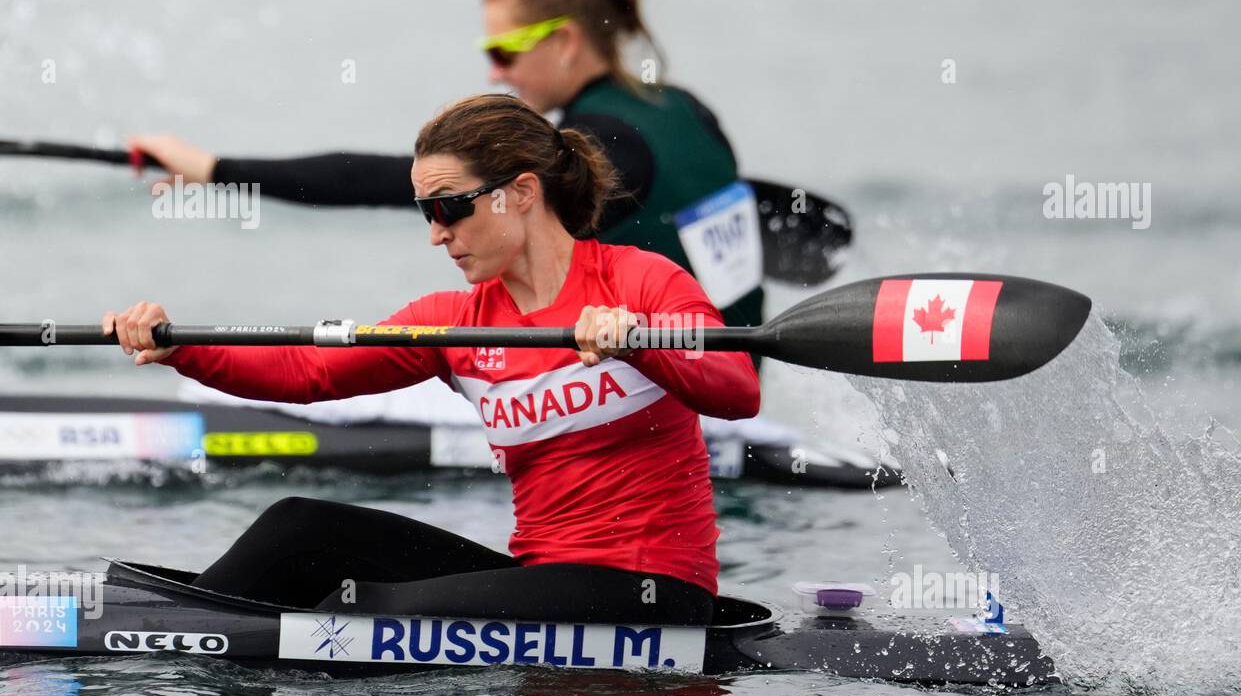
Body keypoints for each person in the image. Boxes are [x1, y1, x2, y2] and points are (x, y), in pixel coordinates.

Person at [102, 94, 760, 625]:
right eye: (425, 209)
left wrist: (643, 341)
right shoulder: (457, 319)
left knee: (374, 613)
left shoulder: (641, 282)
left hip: (654, 592)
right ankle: (159, 636)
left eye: (448, 206)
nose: (436, 231)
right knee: (296, 528)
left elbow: (738, 388)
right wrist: (180, 346)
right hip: (544, 577)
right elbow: (308, 373)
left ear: (521, 192)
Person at [129, 0, 765, 330]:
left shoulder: (598, 142)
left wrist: (218, 170)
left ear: (566, 42)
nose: (493, 71)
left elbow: (383, 179)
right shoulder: (687, 109)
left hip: (666, 401)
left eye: (505, 51)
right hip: (725, 371)